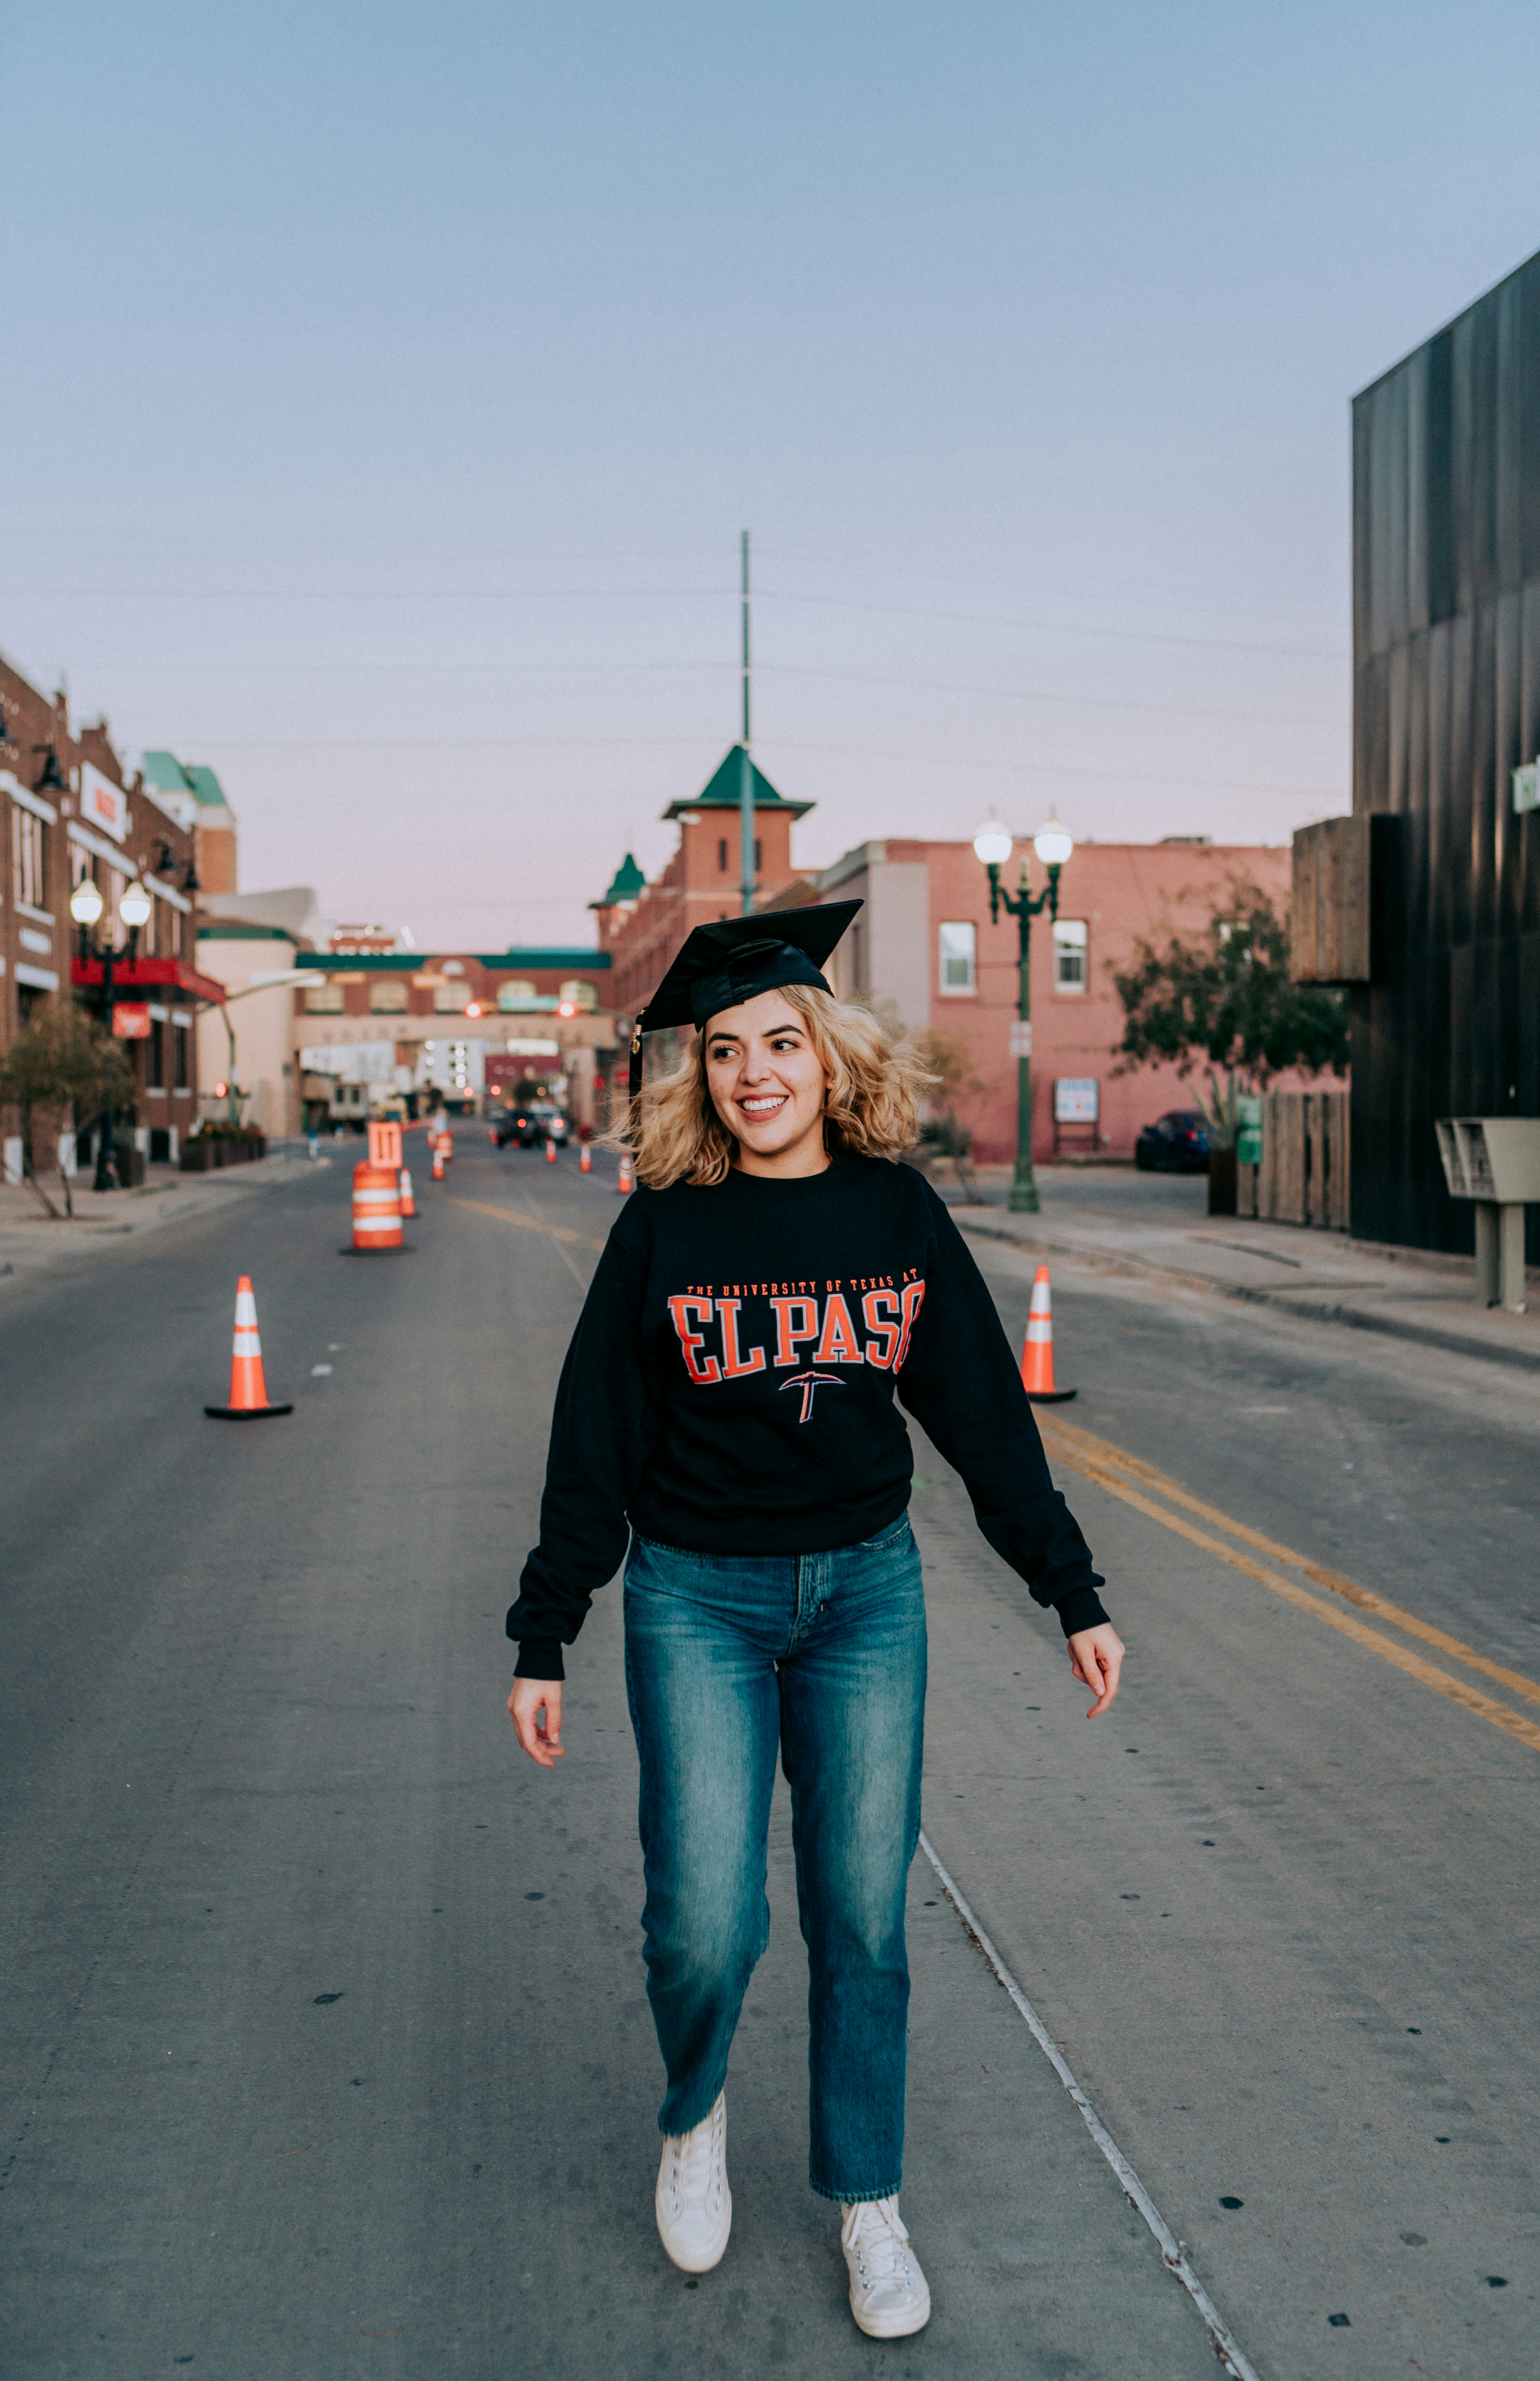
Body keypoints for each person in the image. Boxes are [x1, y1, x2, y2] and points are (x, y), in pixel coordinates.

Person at [506, 904, 1123, 2339]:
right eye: (725, 1051)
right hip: (695, 1599)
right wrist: (549, 1627)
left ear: (828, 1056)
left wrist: (1070, 1587)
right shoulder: (665, 1225)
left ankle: (867, 2198)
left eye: (780, 1041)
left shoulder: (895, 1212)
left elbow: (980, 1409)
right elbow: (592, 1435)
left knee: (863, 1913)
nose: (753, 1071)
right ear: (701, 1075)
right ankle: (697, 2111)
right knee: (706, 1923)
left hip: (863, 1596)